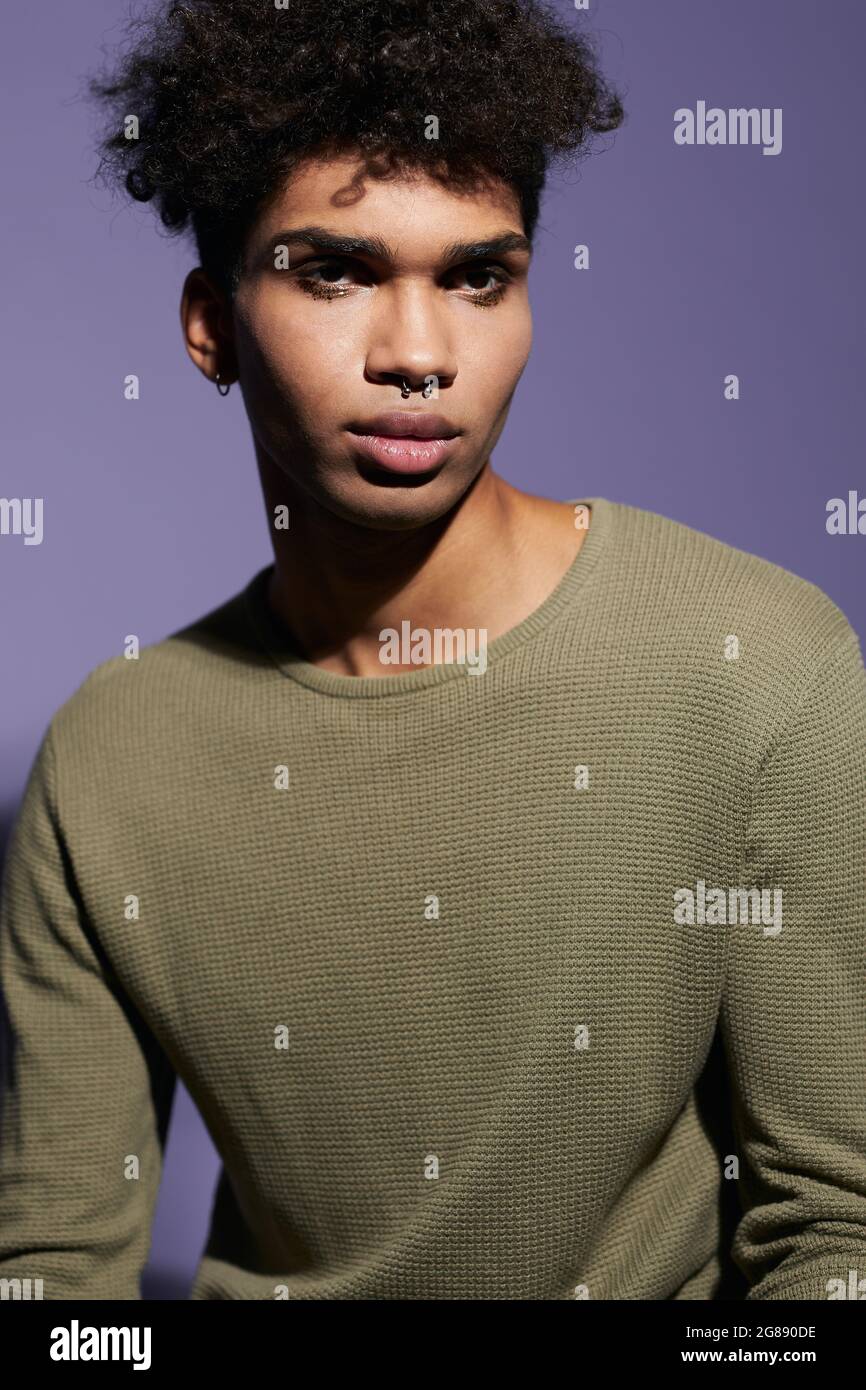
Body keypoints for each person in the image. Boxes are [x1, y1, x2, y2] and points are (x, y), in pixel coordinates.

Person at [1, 0, 864, 1301]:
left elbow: (834, 1237)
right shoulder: (109, 760)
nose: (419, 356)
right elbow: (56, 1288)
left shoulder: (749, 664)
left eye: (476, 276)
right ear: (210, 326)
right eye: (334, 271)